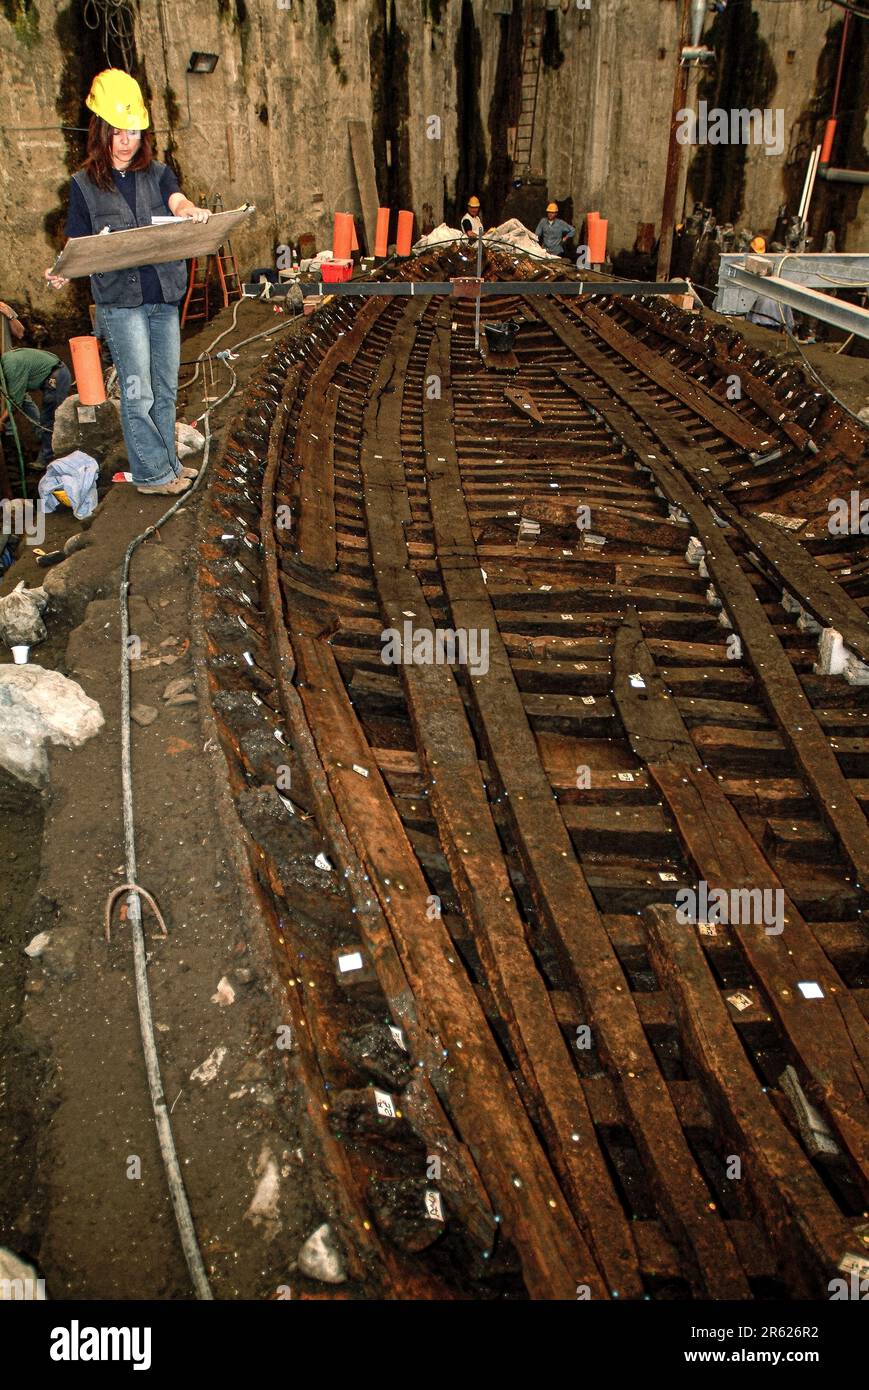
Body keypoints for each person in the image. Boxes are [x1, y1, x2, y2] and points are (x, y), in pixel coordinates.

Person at [45, 69, 211, 496]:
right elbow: (77, 241)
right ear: (101, 131)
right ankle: (153, 476)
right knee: (137, 394)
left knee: (164, 389)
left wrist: (190, 210)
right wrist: (63, 269)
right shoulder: (83, 185)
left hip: (163, 298)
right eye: (118, 131)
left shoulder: (157, 173)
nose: (126, 140)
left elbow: (177, 199)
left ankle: (170, 465)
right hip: (122, 306)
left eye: (134, 131)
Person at [0, 347, 71, 465]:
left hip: (55, 377)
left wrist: (2, 420)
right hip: (55, 373)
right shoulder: (6, 362)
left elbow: (14, 402)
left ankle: (47, 459)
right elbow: (22, 400)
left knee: (49, 418)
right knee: (30, 406)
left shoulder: (11, 367)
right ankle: (42, 437)